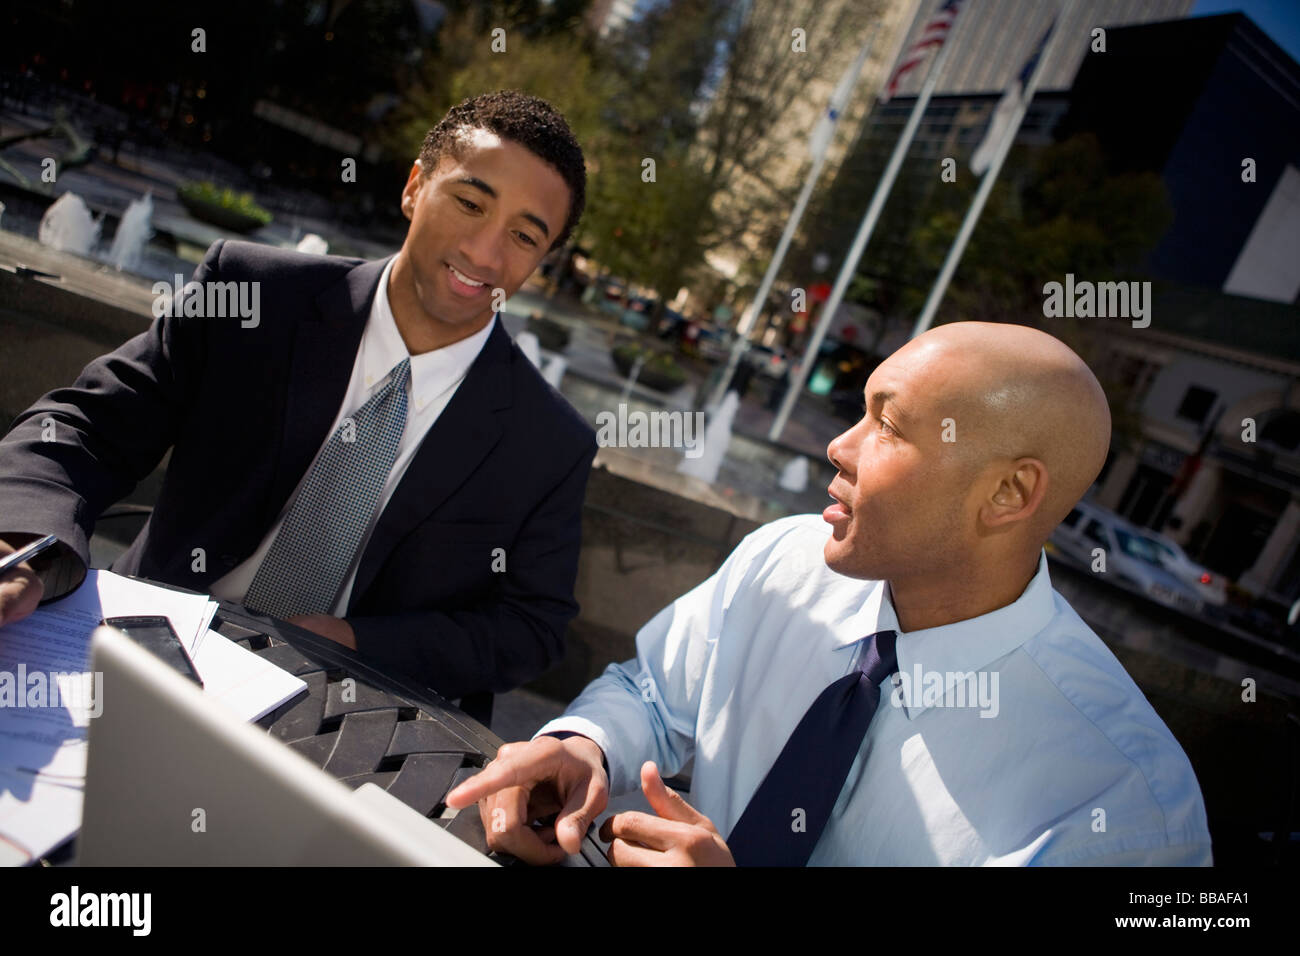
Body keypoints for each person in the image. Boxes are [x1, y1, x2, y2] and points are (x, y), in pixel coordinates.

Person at [446, 321, 1213, 865]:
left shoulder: (1123, 804)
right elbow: (653, 696)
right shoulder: (786, 558)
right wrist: (586, 748)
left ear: (1010, 493)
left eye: (889, 425)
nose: (837, 445)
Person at [0, 91, 598, 722]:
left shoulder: (549, 443)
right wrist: (22, 544)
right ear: (415, 187)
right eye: (470, 202)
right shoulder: (251, 294)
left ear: (543, 259)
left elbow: (530, 624)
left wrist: (358, 643)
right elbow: (88, 426)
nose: (484, 252)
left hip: (342, 713)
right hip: (144, 649)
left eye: (524, 236)